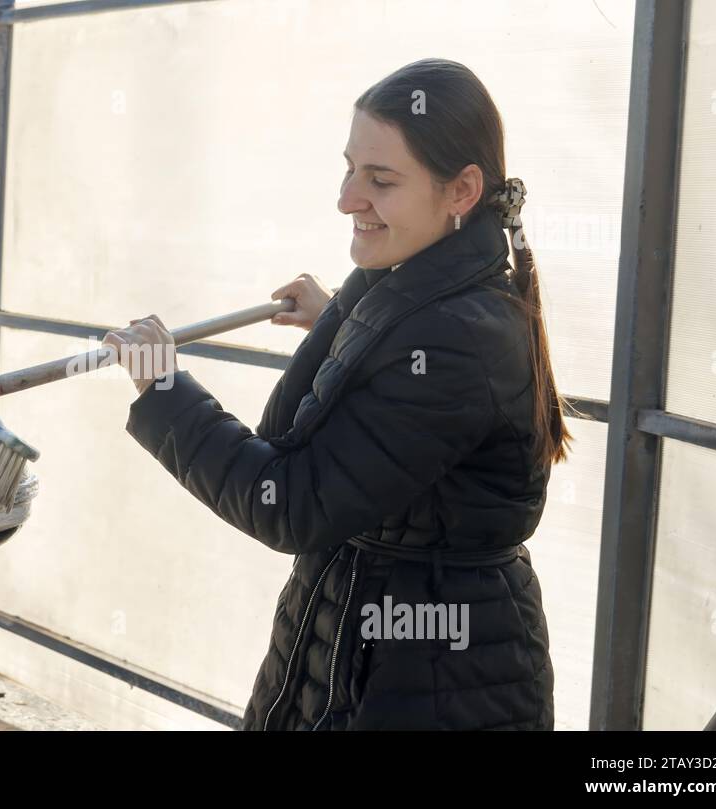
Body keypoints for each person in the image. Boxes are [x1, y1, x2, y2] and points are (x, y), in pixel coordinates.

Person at [102, 58, 570, 730]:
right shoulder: (411, 285)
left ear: (462, 189)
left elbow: (288, 502)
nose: (348, 198)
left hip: (435, 676)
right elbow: (287, 433)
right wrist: (338, 320)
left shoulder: (456, 340)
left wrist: (165, 389)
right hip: (357, 642)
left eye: (381, 180)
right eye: (350, 167)